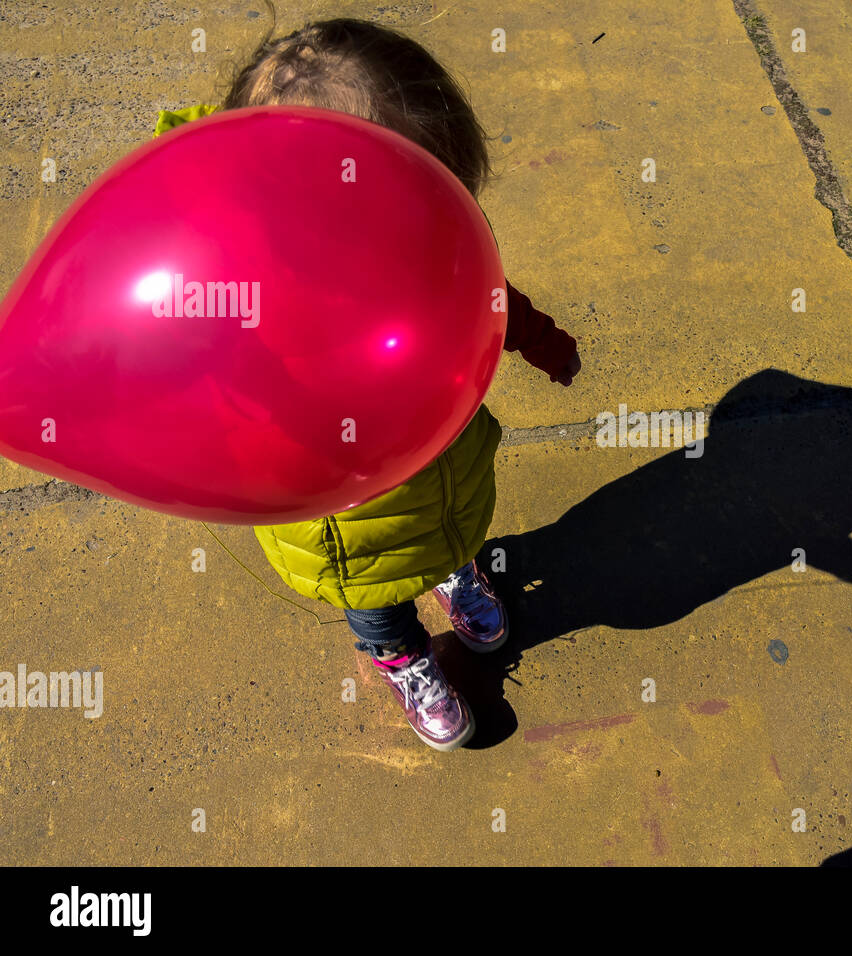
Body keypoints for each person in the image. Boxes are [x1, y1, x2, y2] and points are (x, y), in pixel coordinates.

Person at [153, 17, 581, 751]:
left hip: (441, 466)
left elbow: (486, 294)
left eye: (440, 198)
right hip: (344, 519)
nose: (427, 227)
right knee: (377, 602)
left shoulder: (427, 241)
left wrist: (540, 340)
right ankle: (402, 655)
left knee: (448, 538)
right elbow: (193, 385)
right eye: (405, 205)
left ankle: (456, 574)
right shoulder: (233, 291)